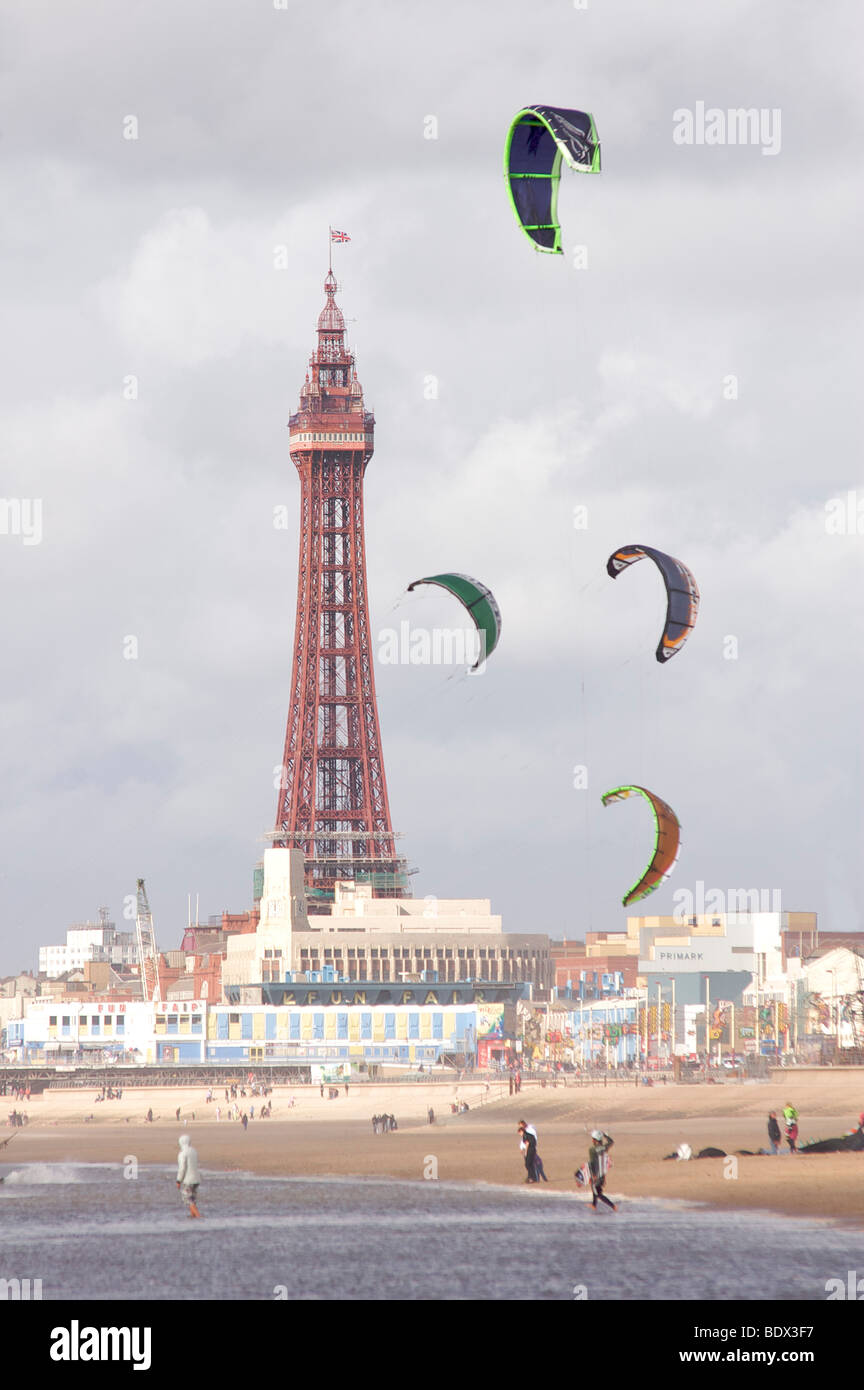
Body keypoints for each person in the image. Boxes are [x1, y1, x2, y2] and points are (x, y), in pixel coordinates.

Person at [587, 1129, 616, 1211]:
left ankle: (613, 1206)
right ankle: (594, 1205)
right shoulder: (604, 1147)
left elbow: (592, 1162)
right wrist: (604, 1135)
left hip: (596, 1172)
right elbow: (611, 1142)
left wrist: (593, 1175)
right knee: (595, 1189)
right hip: (602, 1172)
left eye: (593, 1138)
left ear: (595, 1140)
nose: (592, 1140)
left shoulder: (592, 1150)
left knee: (598, 1193)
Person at [176, 1134, 201, 1219]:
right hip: (196, 1179)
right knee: (192, 1199)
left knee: (189, 1200)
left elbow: (182, 1168)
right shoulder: (194, 1151)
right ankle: (193, 1216)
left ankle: (198, 1217)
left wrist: (178, 1180)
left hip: (188, 1180)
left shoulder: (182, 1153)